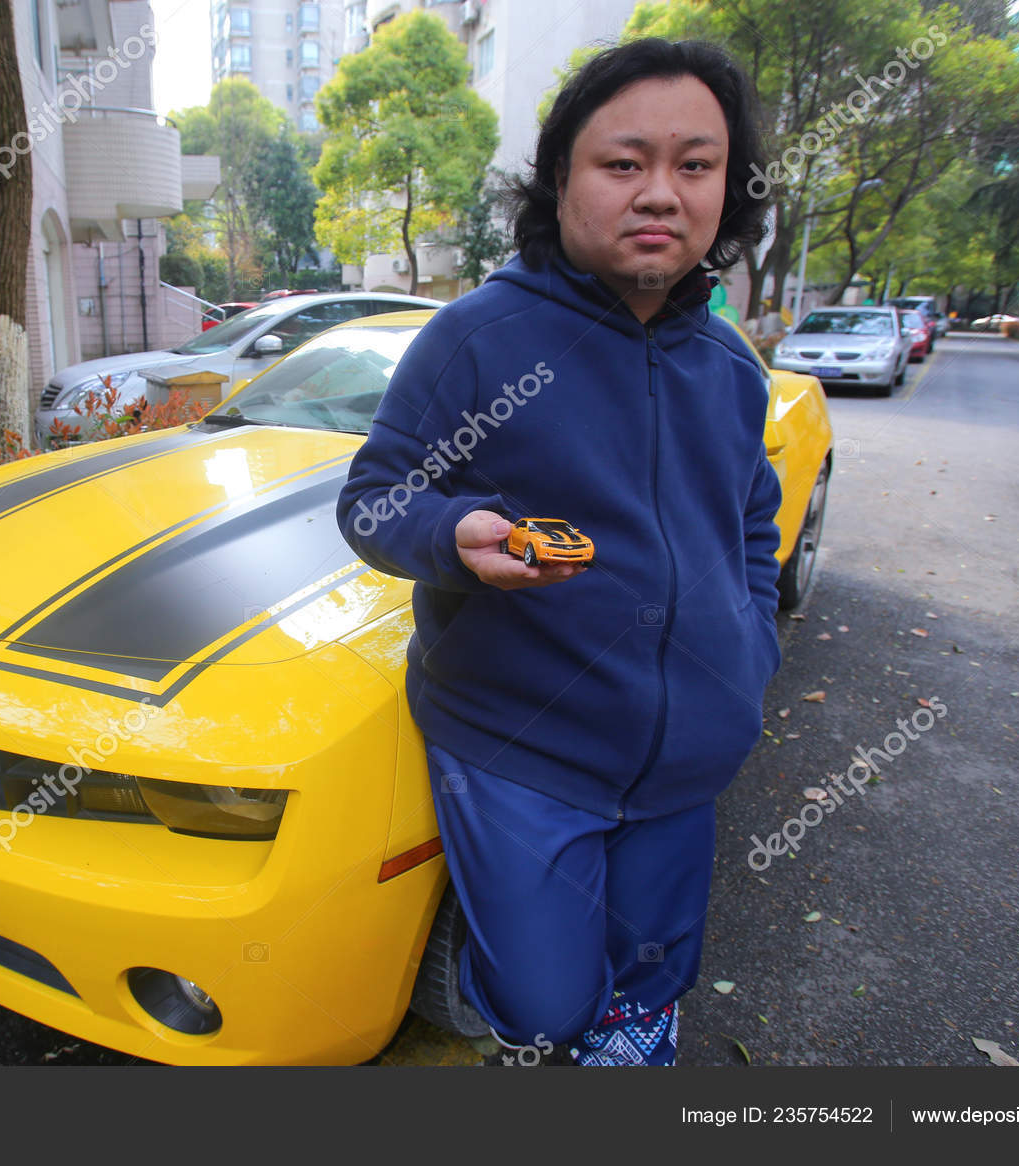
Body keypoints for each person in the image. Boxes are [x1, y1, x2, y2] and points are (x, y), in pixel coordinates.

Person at [335, 38, 780, 1067]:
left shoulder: (728, 363)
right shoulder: (477, 337)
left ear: (725, 186)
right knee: (542, 1008)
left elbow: (749, 524)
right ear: (560, 180)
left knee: (649, 980)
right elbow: (374, 500)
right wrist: (453, 535)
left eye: (695, 165)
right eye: (623, 163)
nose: (660, 193)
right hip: (521, 752)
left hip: (687, 759)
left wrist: (748, 651)